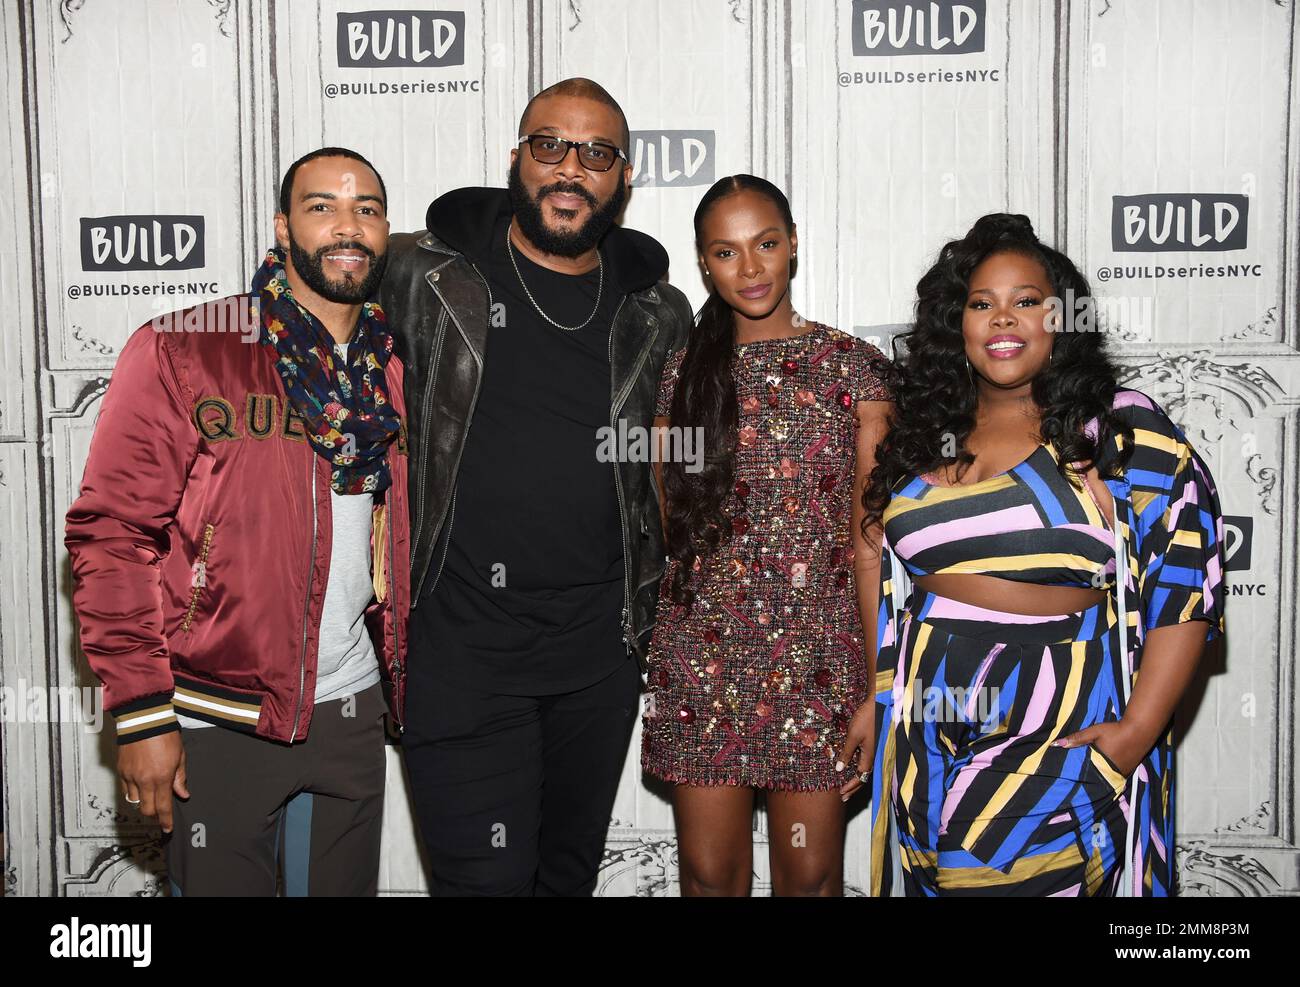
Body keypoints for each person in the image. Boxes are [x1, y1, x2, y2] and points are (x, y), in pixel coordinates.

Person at [378, 78, 694, 895]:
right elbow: (310, 308)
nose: (570, 169)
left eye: (597, 154)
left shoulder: (656, 310)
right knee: (484, 882)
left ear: (622, 178)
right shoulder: (421, 273)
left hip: (598, 659)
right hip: (461, 653)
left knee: (565, 879)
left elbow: (683, 465)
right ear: (516, 157)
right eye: (549, 144)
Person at [65, 147, 410, 896]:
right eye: (323, 207)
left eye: (367, 210)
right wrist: (142, 712)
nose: (347, 226)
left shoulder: (391, 367)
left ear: (386, 232)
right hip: (216, 713)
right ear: (283, 228)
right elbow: (110, 534)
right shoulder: (189, 346)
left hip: (350, 711)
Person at [861, 212, 1226, 896]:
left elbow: (1185, 584)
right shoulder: (928, 434)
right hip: (924, 729)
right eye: (981, 303)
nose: (1004, 319)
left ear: (1061, 318)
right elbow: (880, 571)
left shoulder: (1118, 427)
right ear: (956, 323)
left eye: (1026, 301)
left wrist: (1136, 731)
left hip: (1049, 728)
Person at [641, 175, 892, 896]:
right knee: (709, 879)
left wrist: (875, 685)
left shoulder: (854, 370)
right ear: (703, 264)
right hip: (700, 662)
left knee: (809, 880)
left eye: (766, 245)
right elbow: (669, 526)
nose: (750, 269)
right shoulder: (681, 378)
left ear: (793, 247)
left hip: (816, 665)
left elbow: (868, 541)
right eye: (726, 251)